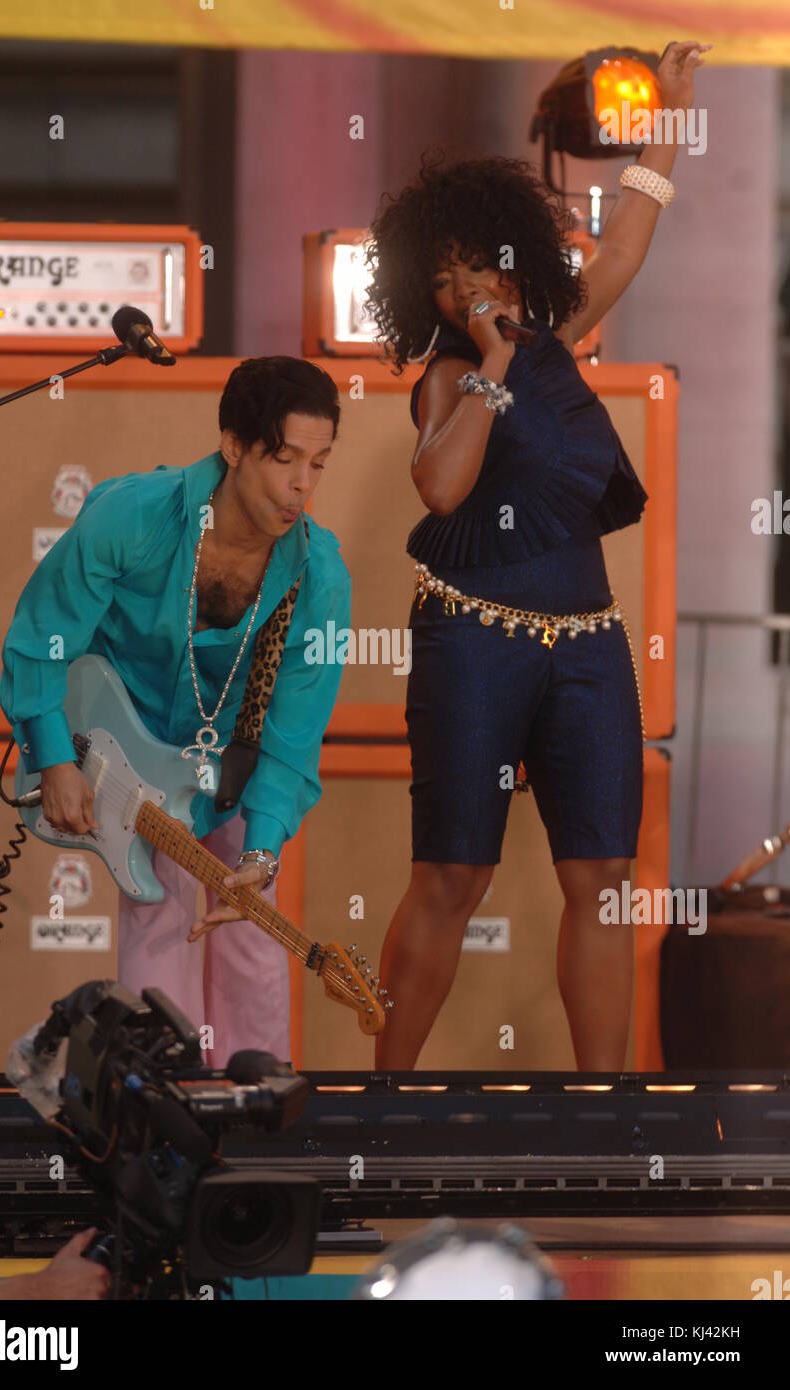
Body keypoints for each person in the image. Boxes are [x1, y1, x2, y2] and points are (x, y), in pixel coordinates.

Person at [364, 41, 708, 1071]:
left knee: (603, 872)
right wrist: (496, 361)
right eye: (443, 277)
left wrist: (667, 127)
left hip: (589, 647)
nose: (465, 287)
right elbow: (438, 485)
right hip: (475, 641)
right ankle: (376, 1108)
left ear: (513, 258)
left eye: (479, 265)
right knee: (450, 879)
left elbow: (630, 236)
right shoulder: (448, 376)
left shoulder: (558, 327)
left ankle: (605, 1106)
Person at [0, 357, 351, 1066]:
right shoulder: (131, 516)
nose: (302, 487)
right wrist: (56, 755)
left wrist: (262, 848)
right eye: (285, 460)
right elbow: (44, 633)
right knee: (154, 916)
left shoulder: (319, 575)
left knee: (250, 926)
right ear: (234, 446)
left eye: (319, 464)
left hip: (230, 763)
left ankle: (254, 1110)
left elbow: (294, 733)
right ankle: (158, 1112)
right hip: (115, 745)